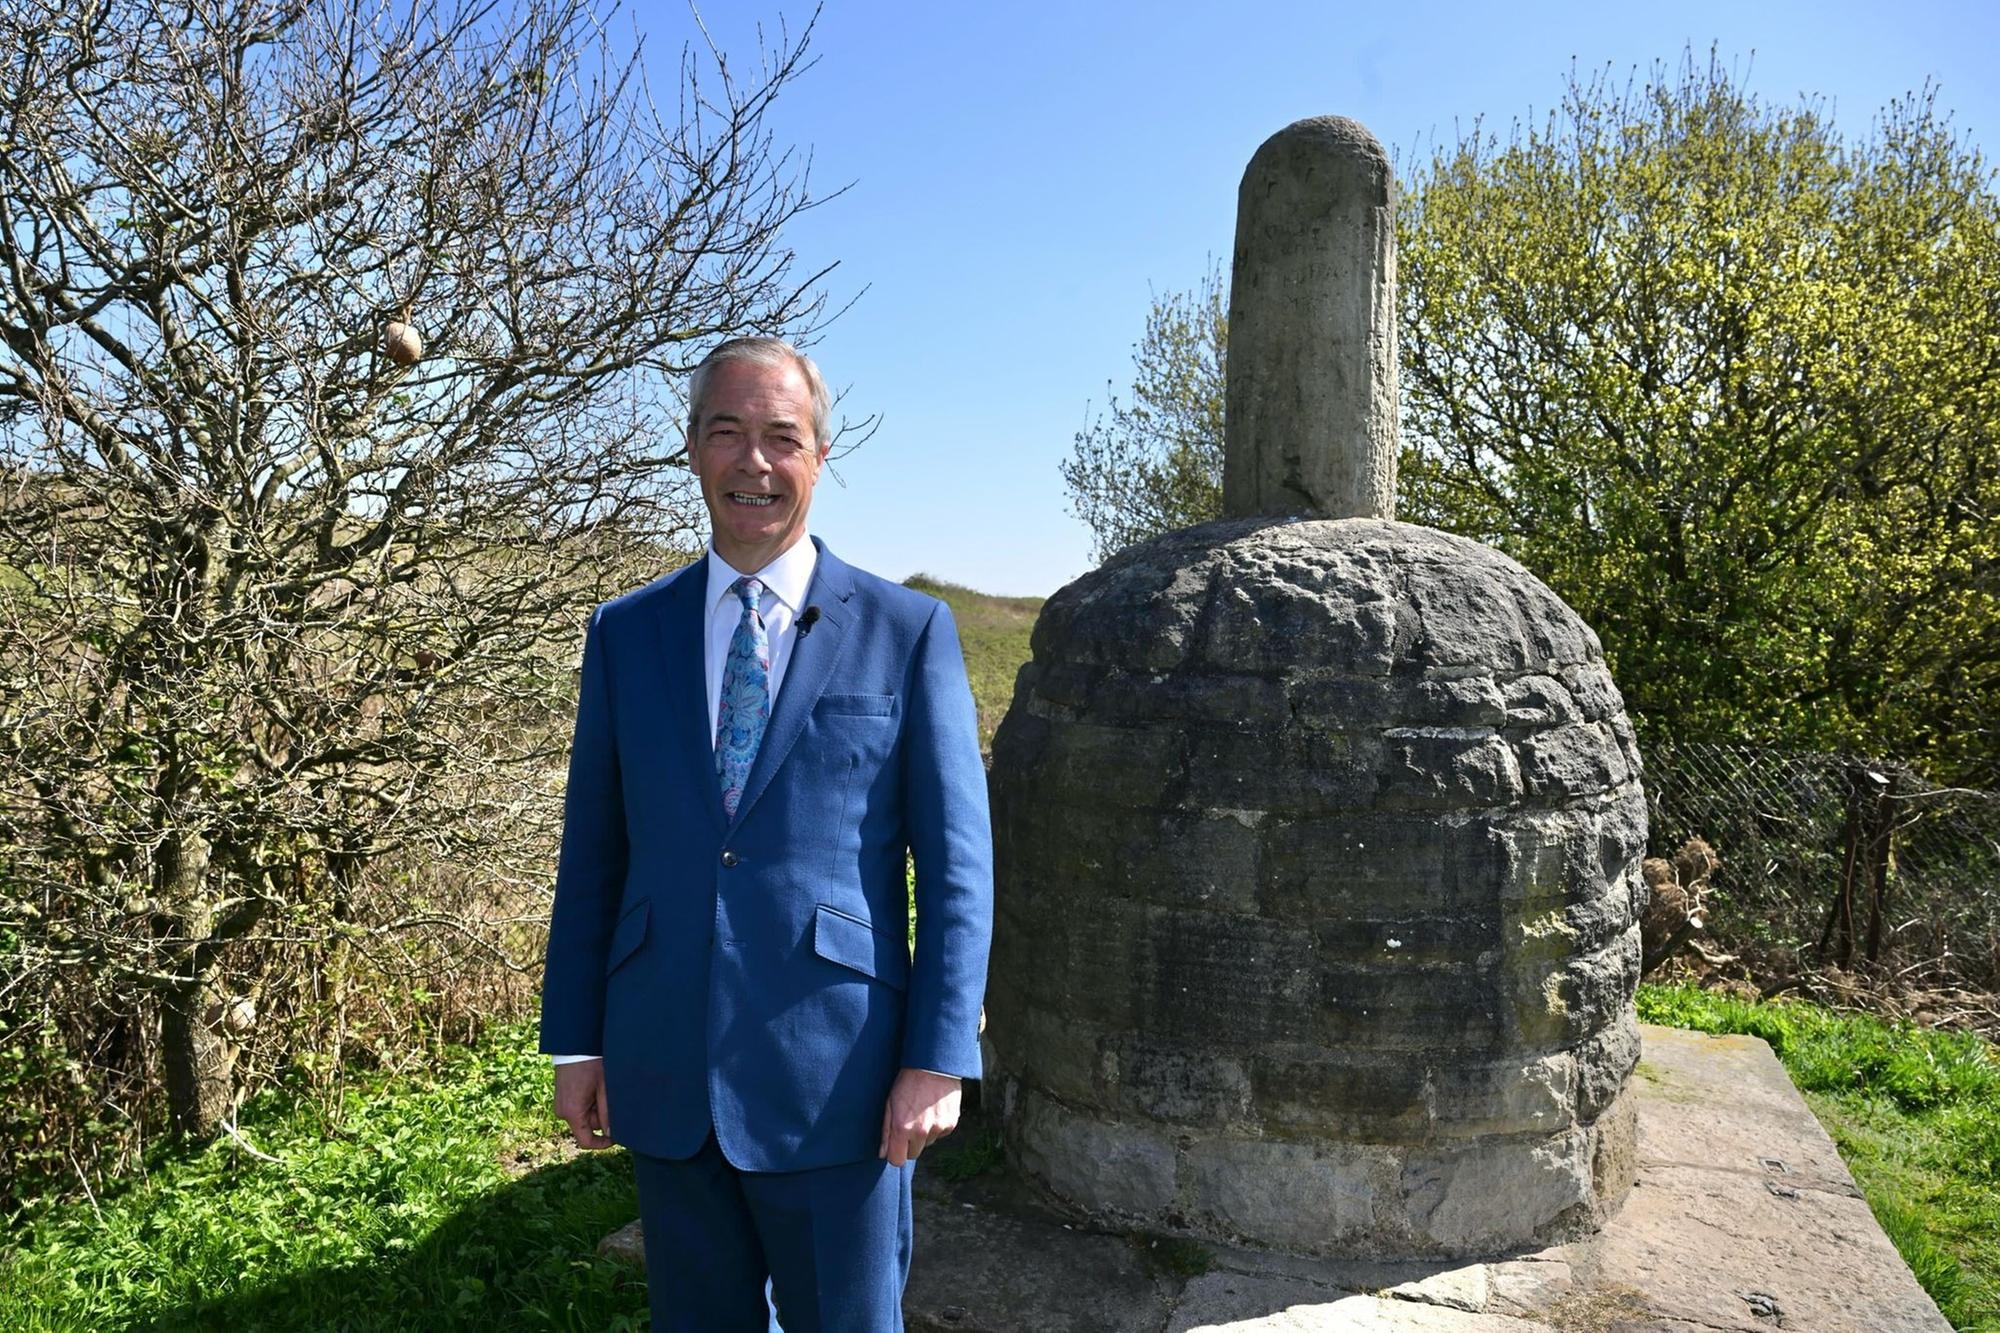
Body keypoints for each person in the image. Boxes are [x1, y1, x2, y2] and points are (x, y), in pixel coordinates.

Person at [538, 337, 993, 1331]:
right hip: (663, 1068)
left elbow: (957, 866)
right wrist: (576, 1041)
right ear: (693, 451)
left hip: (841, 1080)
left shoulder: (907, 631)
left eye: (780, 438)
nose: (753, 462)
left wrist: (937, 1056)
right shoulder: (626, 633)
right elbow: (595, 851)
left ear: (818, 457)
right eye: (727, 432)